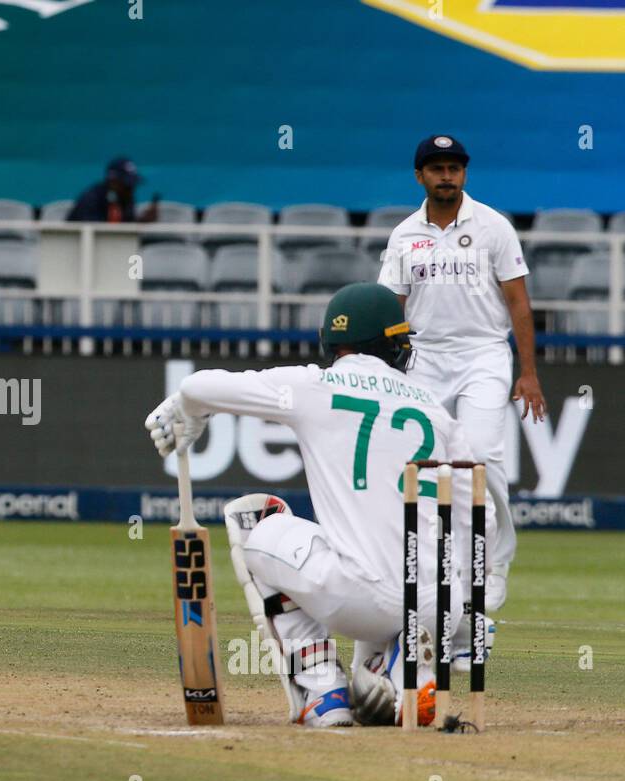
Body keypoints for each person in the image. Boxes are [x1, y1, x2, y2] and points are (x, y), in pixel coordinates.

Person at [145, 283, 496, 727]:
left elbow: (198, 385)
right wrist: (465, 605)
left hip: (359, 598)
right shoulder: (437, 412)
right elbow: (481, 521)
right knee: (426, 574)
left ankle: (323, 691)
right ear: (392, 344)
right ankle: (405, 666)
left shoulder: (316, 384)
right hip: (435, 604)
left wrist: (189, 410)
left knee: (257, 523)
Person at [377, 135, 546, 603]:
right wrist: (388, 371)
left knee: (482, 457)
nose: (446, 176)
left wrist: (527, 372)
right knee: (420, 463)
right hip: (424, 357)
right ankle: (429, 565)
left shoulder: (494, 227)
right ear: (420, 176)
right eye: (437, 169)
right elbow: (391, 308)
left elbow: (518, 303)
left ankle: (494, 565)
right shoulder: (404, 235)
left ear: (464, 174)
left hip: (484, 354)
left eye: (454, 168)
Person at [67, 157, 159, 223]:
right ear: (112, 181)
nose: (131, 188)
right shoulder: (92, 197)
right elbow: (94, 231)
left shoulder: (126, 198)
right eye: (126, 184)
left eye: (132, 184)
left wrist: (141, 222)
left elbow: (125, 226)